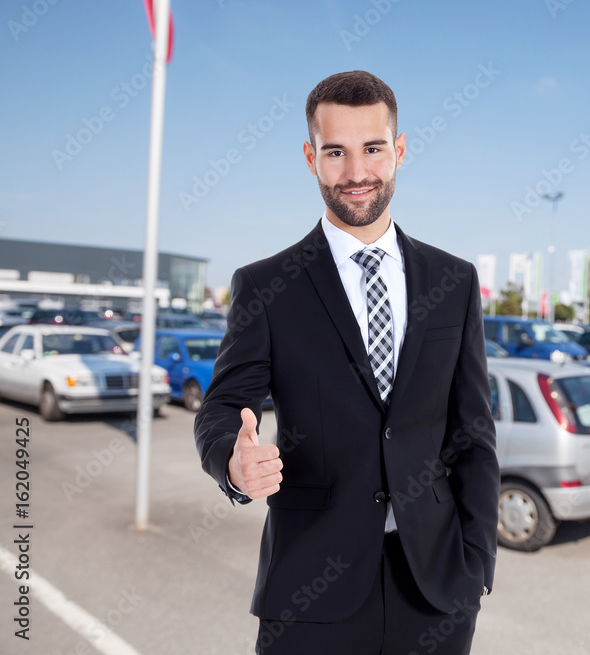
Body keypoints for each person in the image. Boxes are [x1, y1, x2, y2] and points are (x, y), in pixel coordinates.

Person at [193, 70, 500, 655]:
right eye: (336, 152)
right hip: (310, 588)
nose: (357, 172)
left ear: (399, 150)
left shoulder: (454, 281)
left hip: (436, 588)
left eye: (373, 149)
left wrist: (477, 562)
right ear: (311, 158)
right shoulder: (266, 286)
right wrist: (232, 462)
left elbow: (473, 434)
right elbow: (224, 405)